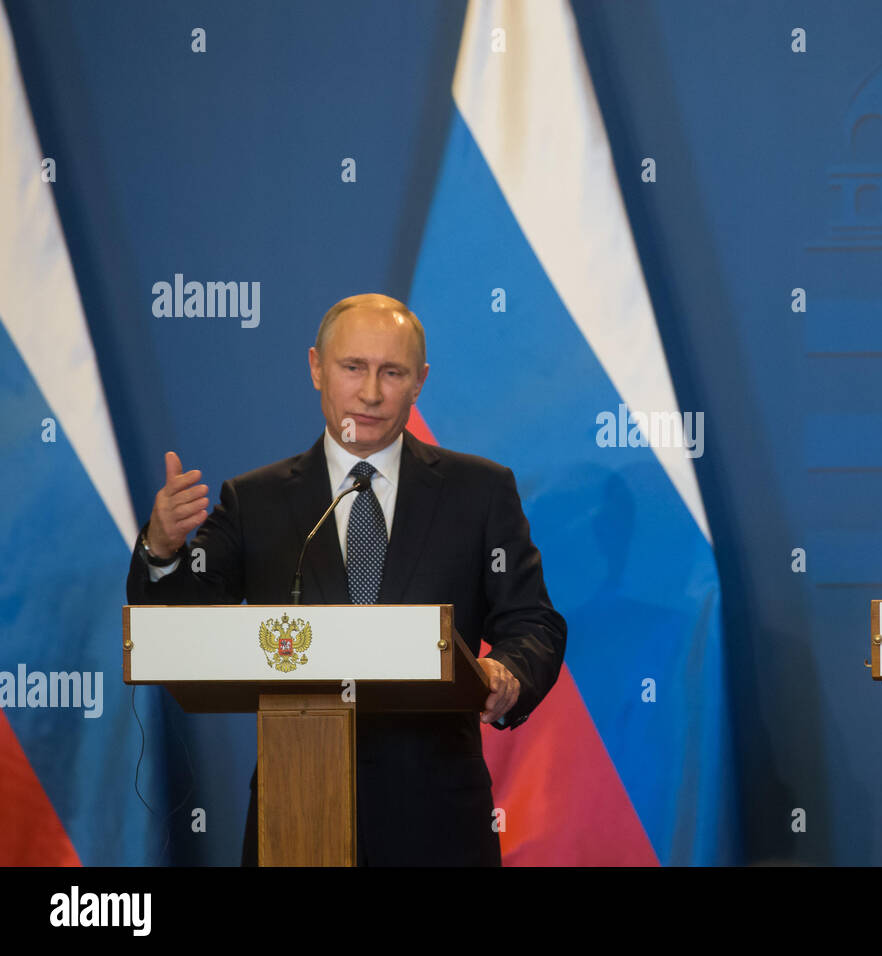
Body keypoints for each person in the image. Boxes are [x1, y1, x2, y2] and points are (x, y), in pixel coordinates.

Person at [126, 293, 566, 865]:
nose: (372, 392)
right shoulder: (256, 500)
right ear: (316, 368)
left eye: (393, 372)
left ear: (420, 381)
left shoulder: (479, 493)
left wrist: (507, 672)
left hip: (437, 820)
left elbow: (533, 621)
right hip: (297, 810)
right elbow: (175, 627)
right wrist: (161, 549)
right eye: (353, 367)